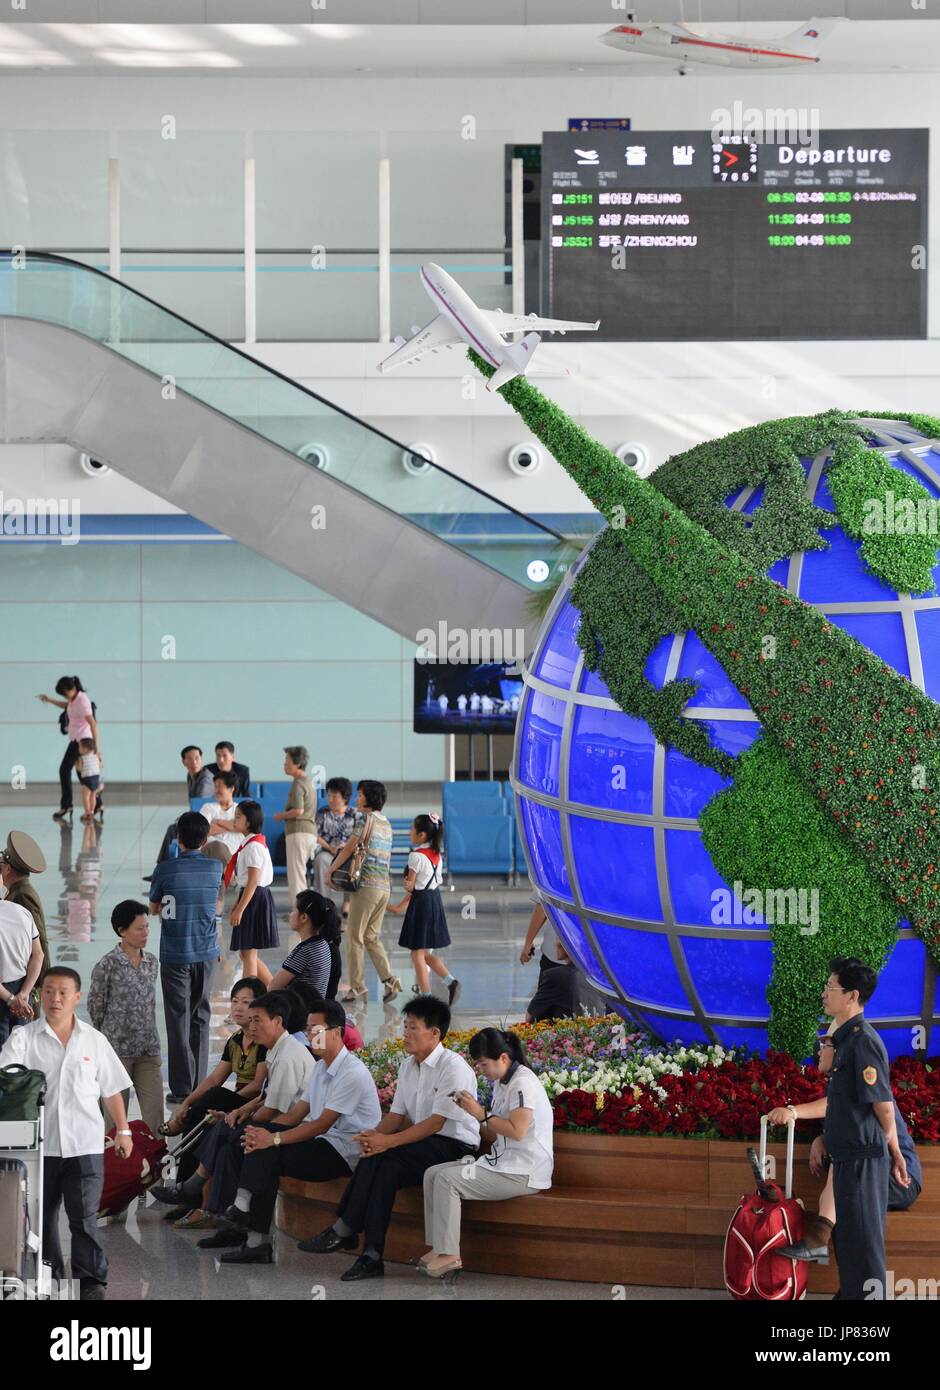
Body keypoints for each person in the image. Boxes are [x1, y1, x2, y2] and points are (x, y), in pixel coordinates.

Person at [301, 994, 479, 1282]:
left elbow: (436, 1123)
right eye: (404, 1026)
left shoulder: (453, 1067)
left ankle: (345, 1229)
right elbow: (396, 1117)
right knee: (377, 1160)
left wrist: (389, 1142)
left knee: (383, 1156)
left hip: (455, 1146)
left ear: (434, 1033)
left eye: (412, 1028)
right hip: (425, 1143)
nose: (405, 1033)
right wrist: (373, 1135)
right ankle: (370, 1254)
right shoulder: (409, 1065)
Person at [0, 967, 133, 1301]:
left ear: (77, 997)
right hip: (38, 1147)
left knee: (85, 1217)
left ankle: (91, 1281)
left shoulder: (94, 1040)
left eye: (62, 992)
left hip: (84, 1144)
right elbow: (6, 1079)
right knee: (40, 1219)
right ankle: (50, 1275)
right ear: (40, 995)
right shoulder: (23, 1038)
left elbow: (112, 1089)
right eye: (48, 991)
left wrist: (124, 1130)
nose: (55, 999)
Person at [217, 998, 381, 1264]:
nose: (309, 1035)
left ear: (336, 1032)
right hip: (322, 1142)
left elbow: (321, 1124)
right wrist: (260, 1133)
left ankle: (248, 1221)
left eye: (316, 1029)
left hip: (344, 1151)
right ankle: (247, 1222)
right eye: (308, 1029)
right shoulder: (320, 1067)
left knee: (268, 1150)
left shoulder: (352, 1072)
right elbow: (297, 1114)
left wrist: (274, 1138)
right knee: (253, 1140)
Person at [789, 956, 909, 1301]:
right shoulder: (845, 1039)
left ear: (852, 995)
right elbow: (828, 1073)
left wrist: (895, 1151)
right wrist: (831, 1032)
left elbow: (882, 1104)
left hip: (863, 1159)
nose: (825, 993)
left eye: (831, 987)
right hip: (845, 1158)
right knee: (848, 1242)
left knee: (863, 1244)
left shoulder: (863, 1042)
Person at [150, 990, 313, 1239]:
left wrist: (240, 1119)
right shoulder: (275, 1049)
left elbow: (274, 1110)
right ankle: (222, 1217)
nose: (252, 1025)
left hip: (292, 1128)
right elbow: (265, 1098)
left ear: (278, 1021)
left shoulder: (288, 1057)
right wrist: (239, 1112)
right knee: (225, 1138)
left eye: (258, 1019)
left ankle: (195, 1188)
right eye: (251, 1019)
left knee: (227, 1129)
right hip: (277, 1119)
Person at [771, 1020, 922, 1264]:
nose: (820, 1049)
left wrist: (793, 1111)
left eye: (827, 1043)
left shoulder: (859, 1080)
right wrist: (821, 1139)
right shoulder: (840, 1085)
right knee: (842, 1210)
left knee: (845, 1171)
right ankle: (848, 1283)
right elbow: (848, 1127)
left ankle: (819, 1238)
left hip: (899, 1179)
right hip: (869, 1171)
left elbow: (839, 1108)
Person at [419, 1027, 554, 1279]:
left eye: (482, 1064)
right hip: (503, 1163)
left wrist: (479, 1113)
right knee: (432, 1173)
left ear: (503, 1058)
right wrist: (470, 1113)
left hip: (523, 1172)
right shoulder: (504, 1082)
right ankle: (439, 1247)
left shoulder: (522, 1083)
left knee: (448, 1180)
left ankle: (450, 1255)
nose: (480, 1070)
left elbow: (518, 1131)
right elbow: (496, 1132)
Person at [159, 976, 268, 1230]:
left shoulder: (262, 1041)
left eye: (246, 1002)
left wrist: (228, 1103)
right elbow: (215, 1077)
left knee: (214, 1099)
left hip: (253, 1103)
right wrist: (186, 1102)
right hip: (235, 1100)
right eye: (235, 1001)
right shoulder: (235, 1041)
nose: (238, 1007)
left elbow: (258, 1087)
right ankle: (187, 1191)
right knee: (201, 1106)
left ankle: (187, 1190)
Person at [148, 811, 222, 1103]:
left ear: (178, 838)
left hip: (175, 954)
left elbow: (154, 907)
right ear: (205, 840)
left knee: (177, 1019)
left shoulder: (165, 870)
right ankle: (200, 1085)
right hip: (206, 953)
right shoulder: (215, 868)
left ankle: (181, 1089)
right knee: (201, 1016)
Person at [86, 900, 163, 1139]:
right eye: (139, 928)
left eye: (147, 927)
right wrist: (108, 1038)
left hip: (148, 1050)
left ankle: (156, 1173)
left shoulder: (152, 962)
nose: (145, 933)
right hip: (115, 1053)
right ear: (122, 931)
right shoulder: (107, 964)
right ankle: (115, 1173)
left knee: (156, 1120)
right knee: (114, 1124)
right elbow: (95, 1005)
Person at [327, 780, 401, 1004]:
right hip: (384, 887)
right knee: (371, 936)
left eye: (360, 795)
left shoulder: (364, 819)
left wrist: (331, 869)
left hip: (366, 885)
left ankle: (357, 987)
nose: (357, 799)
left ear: (369, 798)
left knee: (354, 937)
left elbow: (350, 847)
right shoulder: (386, 823)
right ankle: (390, 980)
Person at [387, 813, 460, 1004]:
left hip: (421, 903)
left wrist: (406, 885)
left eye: (412, 829)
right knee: (426, 953)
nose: (409, 832)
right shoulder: (437, 855)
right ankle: (451, 982)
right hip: (434, 900)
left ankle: (426, 997)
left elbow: (410, 885)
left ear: (421, 835)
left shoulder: (416, 856)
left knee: (416, 953)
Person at [224, 800, 277, 984]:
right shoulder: (249, 844)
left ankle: (249, 997)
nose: (234, 819)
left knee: (249, 952)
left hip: (254, 897)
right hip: (250, 895)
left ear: (249, 821)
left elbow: (253, 880)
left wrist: (240, 909)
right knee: (246, 952)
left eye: (238, 816)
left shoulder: (253, 846)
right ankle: (273, 988)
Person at [37, 676, 101, 823]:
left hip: (82, 741)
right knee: (83, 774)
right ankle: (97, 803)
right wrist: (49, 700)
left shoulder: (82, 701)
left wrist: (97, 748)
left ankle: (68, 805)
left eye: (65, 693)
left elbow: (93, 724)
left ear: (71, 689)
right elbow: (67, 706)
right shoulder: (74, 700)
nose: (65, 697)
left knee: (65, 769)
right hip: (76, 740)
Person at [149, 746, 215, 872]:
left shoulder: (206, 778)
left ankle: (163, 868)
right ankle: (163, 867)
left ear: (201, 759)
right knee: (173, 829)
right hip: (198, 816)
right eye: (190, 759)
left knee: (173, 829)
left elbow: (199, 803)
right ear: (184, 762)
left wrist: (186, 817)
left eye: (197, 758)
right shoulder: (190, 776)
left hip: (206, 819)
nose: (194, 762)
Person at [267, 890, 338, 999]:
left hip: (300, 1012)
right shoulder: (323, 944)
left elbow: (272, 988)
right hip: (314, 1009)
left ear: (304, 917)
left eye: (293, 910)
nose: (290, 915)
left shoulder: (305, 950)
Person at [0, 830, 51, 982]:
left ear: (8, 869)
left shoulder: (22, 895)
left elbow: (38, 939)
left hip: (26, 982)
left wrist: (38, 982)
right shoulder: (18, 891)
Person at [273, 747, 318, 905]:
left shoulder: (298, 784)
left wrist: (282, 816)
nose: (284, 765)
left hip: (298, 833)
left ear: (297, 763)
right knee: (300, 874)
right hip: (309, 834)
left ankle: (299, 912)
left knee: (296, 877)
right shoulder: (309, 782)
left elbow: (298, 810)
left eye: (287, 761)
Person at [0, 891, 44, 1047]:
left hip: (6, 998)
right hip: (24, 994)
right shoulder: (22, 912)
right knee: (23, 1055)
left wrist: (11, 1000)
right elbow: (38, 955)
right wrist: (24, 994)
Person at [311, 777, 356, 910]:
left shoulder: (354, 814)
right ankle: (325, 901)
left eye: (334, 796)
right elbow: (315, 835)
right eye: (329, 795)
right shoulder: (322, 813)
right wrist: (330, 847)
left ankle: (348, 902)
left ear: (344, 797)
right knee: (320, 860)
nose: (330, 799)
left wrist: (346, 848)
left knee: (352, 863)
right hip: (328, 851)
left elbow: (359, 837)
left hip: (348, 852)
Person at [199, 771, 242, 866]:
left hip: (237, 854)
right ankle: (230, 876)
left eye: (220, 786)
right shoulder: (208, 807)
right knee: (218, 846)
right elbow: (202, 831)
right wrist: (233, 825)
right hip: (213, 853)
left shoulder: (240, 809)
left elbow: (246, 828)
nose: (216, 790)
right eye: (215, 786)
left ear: (231, 789)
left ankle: (230, 874)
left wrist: (218, 822)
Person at [77, 738, 102, 823]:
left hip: (87, 779)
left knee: (85, 797)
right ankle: (91, 811)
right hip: (96, 779)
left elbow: (80, 769)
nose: (78, 749)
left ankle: (87, 813)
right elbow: (100, 766)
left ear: (85, 749)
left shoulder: (82, 758)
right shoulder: (96, 756)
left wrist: (76, 765)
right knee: (93, 796)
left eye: (79, 747)